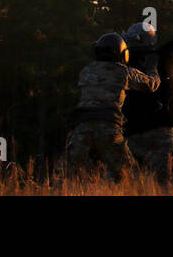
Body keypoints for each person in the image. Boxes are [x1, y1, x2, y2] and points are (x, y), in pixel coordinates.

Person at [65, 32, 160, 180]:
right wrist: (153, 67)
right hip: (108, 127)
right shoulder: (123, 72)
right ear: (122, 53)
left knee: (69, 175)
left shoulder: (86, 70)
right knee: (127, 173)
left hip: (81, 128)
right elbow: (151, 85)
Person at [123, 15, 173, 179]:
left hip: (131, 132)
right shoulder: (162, 58)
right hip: (161, 131)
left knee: (135, 179)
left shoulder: (122, 65)